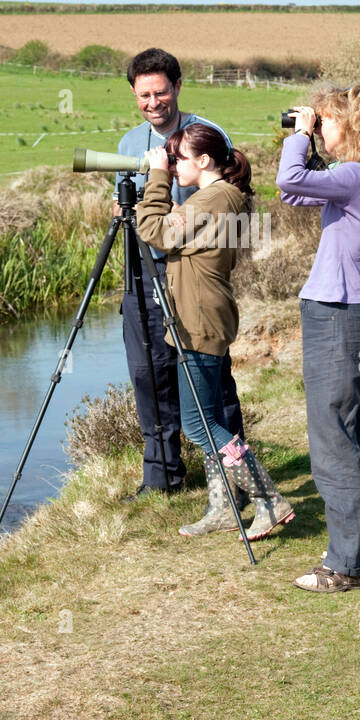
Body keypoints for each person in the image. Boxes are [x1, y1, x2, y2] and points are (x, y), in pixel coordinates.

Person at [136, 123, 295, 540]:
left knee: (199, 425)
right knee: (207, 418)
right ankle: (224, 507)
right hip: (201, 314)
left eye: (178, 158)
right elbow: (182, 234)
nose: (172, 165)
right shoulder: (220, 198)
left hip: (200, 319)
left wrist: (155, 180)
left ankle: (267, 499)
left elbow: (156, 234)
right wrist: (164, 196)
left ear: (204, 161)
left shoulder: (216, 196)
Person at [276, 85, 360, 592]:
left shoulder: (357, 174)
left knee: (332, 443)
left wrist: (301, 135)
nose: (318, 128)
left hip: (337, 319)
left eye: (326, 121)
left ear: (352, 125)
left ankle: (344, 565)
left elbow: (288, 176)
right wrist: (306, 138)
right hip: (354, 317)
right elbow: (291, 192)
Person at [114, 49, 246, 500]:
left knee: (210, 380)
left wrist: (168, 212)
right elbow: (133, 213)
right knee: (148, 375)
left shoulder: (205, 135)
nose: (153, 102)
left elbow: (230, 214)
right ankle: (163, 477)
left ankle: (234, 481)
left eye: (161, 92)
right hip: (144, 274)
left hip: (192, 280)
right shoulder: (128, 145)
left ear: (178, 87)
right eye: (144, 94)